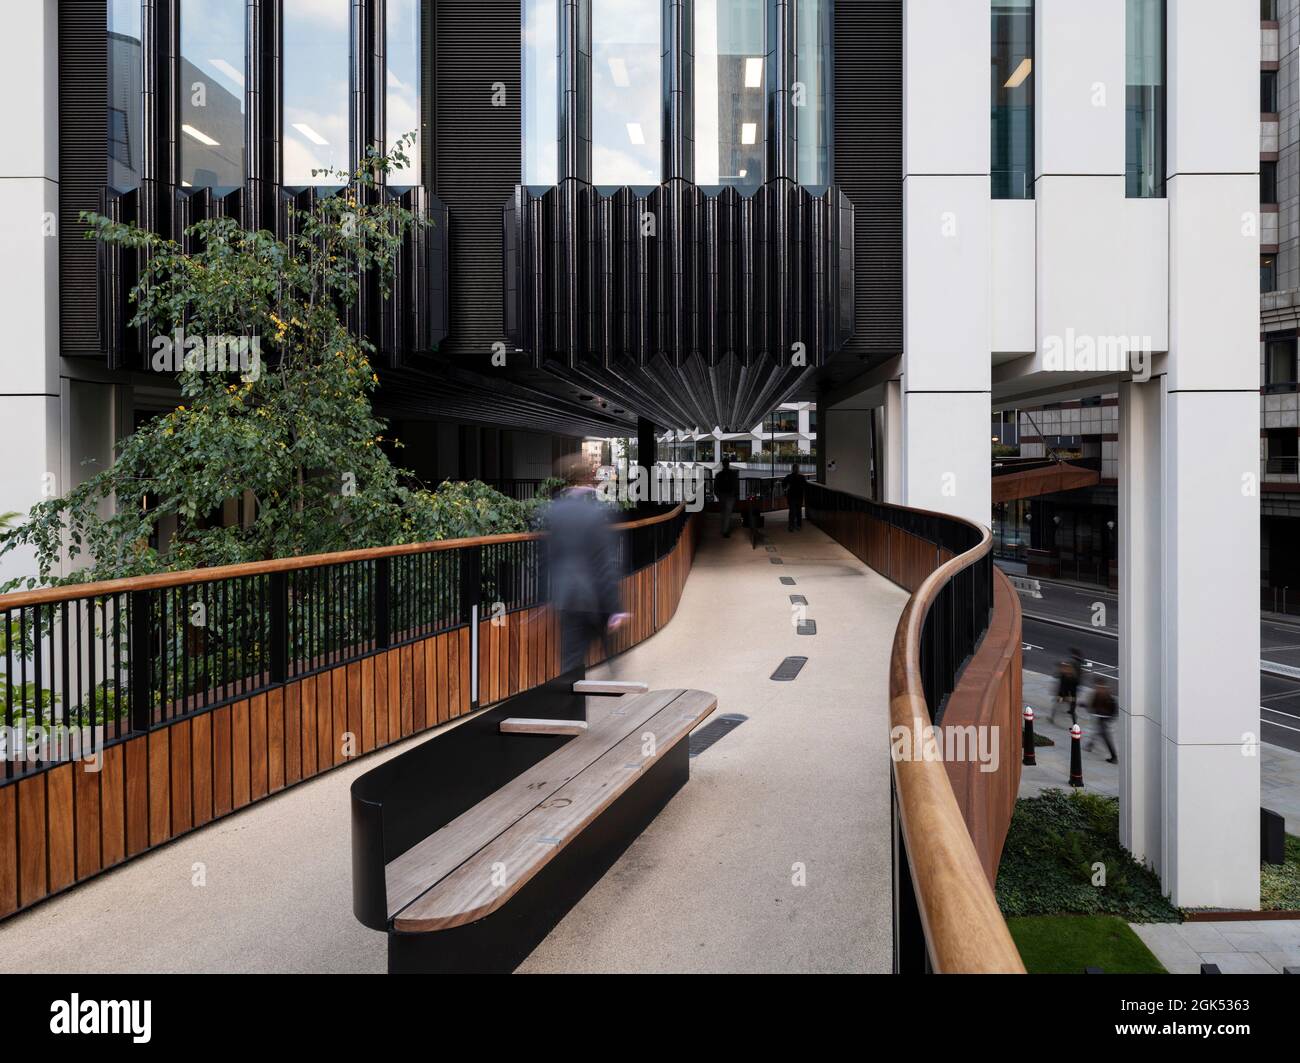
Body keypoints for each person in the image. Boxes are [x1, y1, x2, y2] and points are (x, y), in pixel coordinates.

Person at [544, 460, 630, 679]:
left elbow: (549, 557)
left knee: (571, 660)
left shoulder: (555, 511)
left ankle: (572, 707)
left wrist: (547, 597)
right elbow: (604, 564)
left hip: (566, 597)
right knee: (612, 646)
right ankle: (617, 691)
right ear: (589, 478)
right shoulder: (595, 512)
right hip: (595, 597)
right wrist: (616, 608)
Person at [1087, 676, 1118, 764]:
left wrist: (1109, 718)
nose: (1097, 688)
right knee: (1098, 731)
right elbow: (1092, 705)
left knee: (1105, 737)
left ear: (1102, 685)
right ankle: (1090, 744)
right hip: (1099, 716)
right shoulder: (1097, 693)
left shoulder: (1107, 695)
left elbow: (1114, 710)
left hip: (1104, 718)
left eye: (1099, 686)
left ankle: (1114, 756)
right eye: (1097, 686)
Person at [715, 457, 740, 539]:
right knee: (728, 514)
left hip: (722, 495)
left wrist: (718, 495)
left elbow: (715, 487)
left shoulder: (718, 475)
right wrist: (735, 495)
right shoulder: (733, 474)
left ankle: (724, 529)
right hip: (730, 496)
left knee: (723, 513)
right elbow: (736, 485)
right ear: (728, 464)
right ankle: (725, 531)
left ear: (723, 464)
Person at [782, 462, 808, 531]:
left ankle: (791, 526)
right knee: (798, 511)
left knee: (792, 511)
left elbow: (783, 484)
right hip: (799, 496)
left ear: (792, 469)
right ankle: (799, 525)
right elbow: (805, 486)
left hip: (791, 496)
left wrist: (786, 489)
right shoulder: (802, 477)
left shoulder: (789, 476)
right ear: (798, 469)